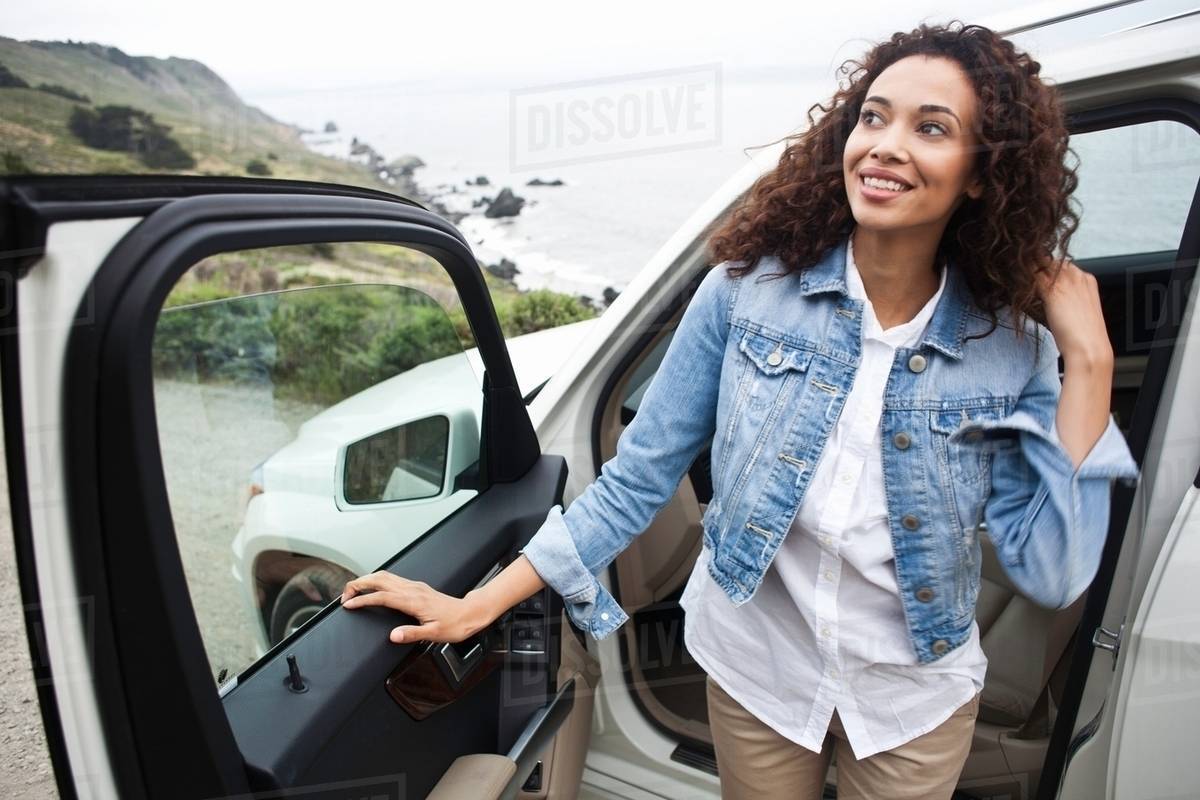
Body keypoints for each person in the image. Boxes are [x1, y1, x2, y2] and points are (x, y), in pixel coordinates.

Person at [340, 20, 1139, 799]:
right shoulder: (742, 294)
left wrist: (1090, 362)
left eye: (931, 128)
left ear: (980, 174)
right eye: (873, 117)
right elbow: (636, 479)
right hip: (758, 669)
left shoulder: (1015, 350)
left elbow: (1053, 568)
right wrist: (478, 603)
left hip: (913, 700)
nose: (886, 144)